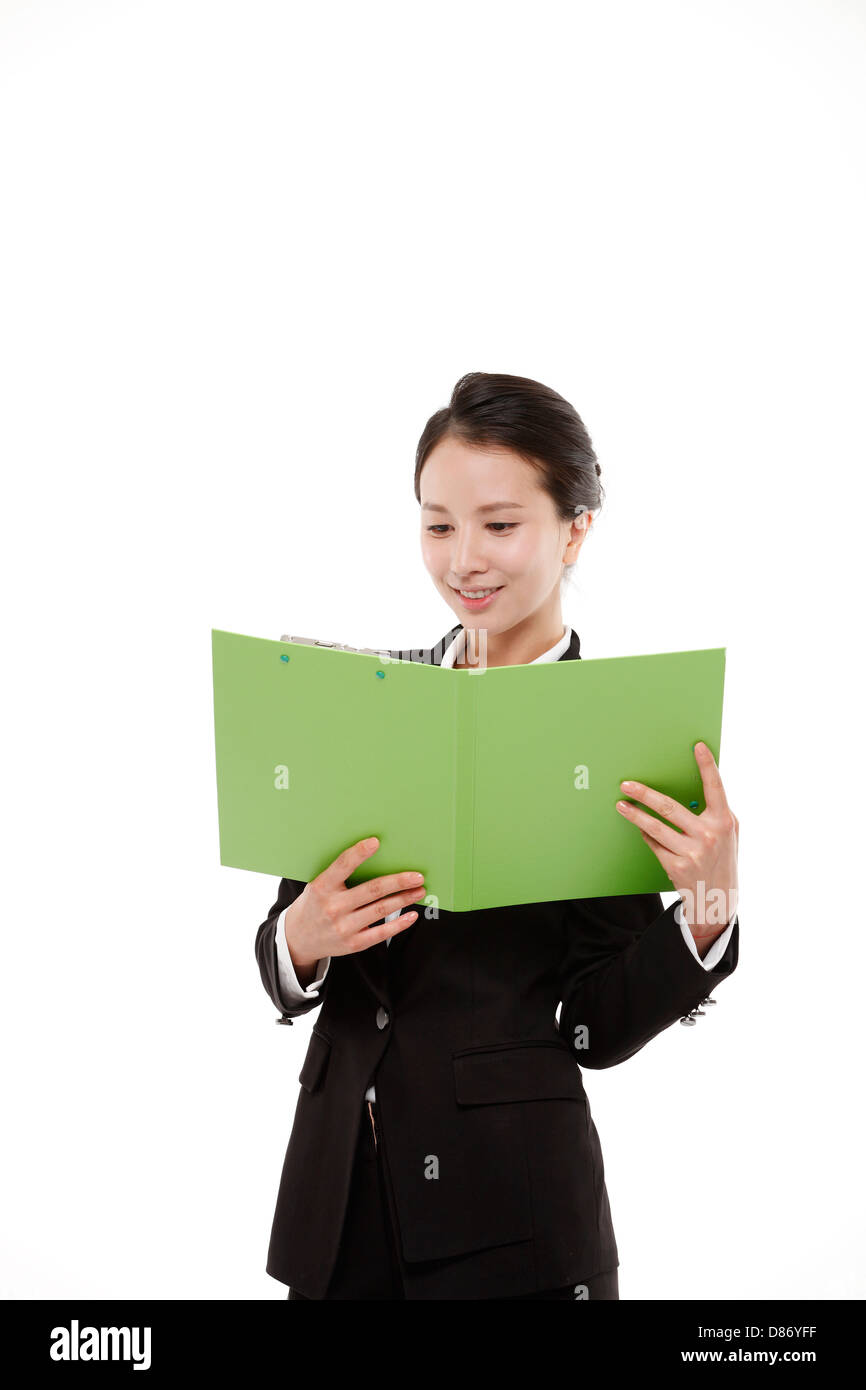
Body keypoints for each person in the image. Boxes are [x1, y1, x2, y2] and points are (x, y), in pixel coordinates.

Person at [254, 371, 740, 1300]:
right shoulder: (358, 703)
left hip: (514, 1229)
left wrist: (707, 910)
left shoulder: (619, 732)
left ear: (576, 528)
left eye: (500, 524)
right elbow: (281, 945)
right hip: (333, 1217)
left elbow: (595, 1026)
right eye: (438, 525)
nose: (464, 559)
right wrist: (299, 943)